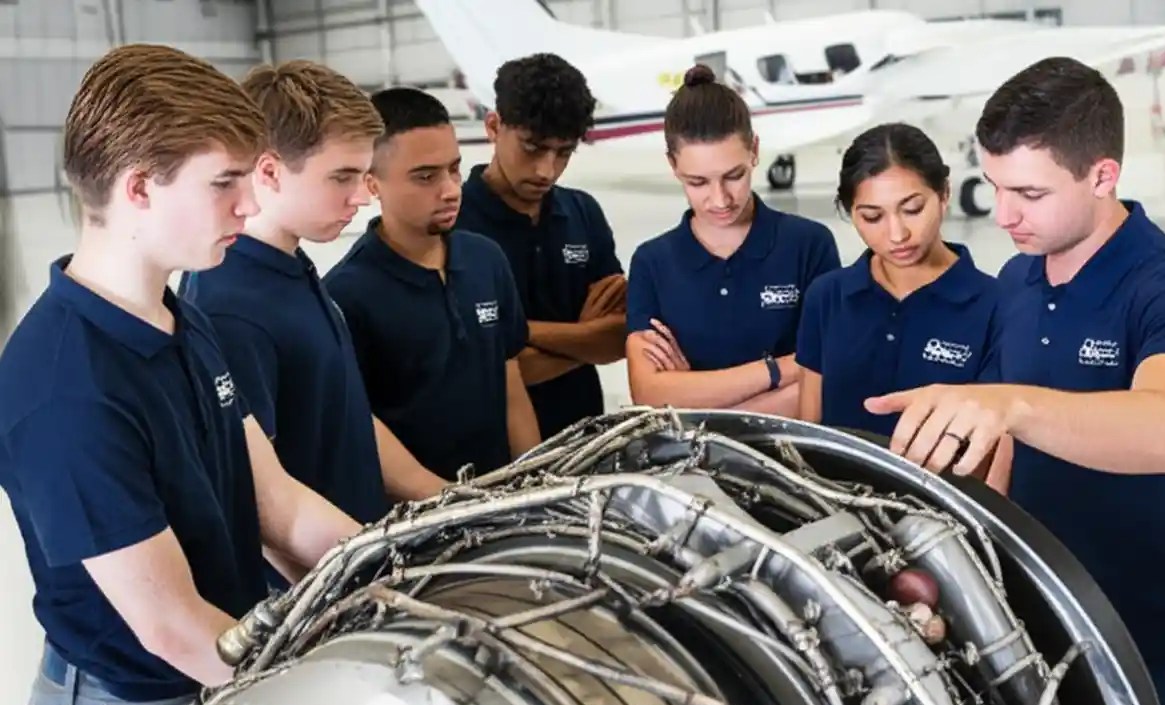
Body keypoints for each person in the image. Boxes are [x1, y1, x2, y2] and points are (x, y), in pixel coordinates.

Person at [866, 57, 1165, 705]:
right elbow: (1001, 449)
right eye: (994, 185)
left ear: (1103, 175)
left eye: (1031, 194)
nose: (1004, 214)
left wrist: (1009, 403)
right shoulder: (1018, 280)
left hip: (1162, 644)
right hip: (1042, 623)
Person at [0, 44, 361, 705]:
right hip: (143, 695)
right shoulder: (64, 389)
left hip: (218, 658)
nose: (249, 207)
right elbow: (169, 624)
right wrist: (336, 693)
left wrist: (404, 573)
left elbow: (277, 506)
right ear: (139, 187)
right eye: (224, 182)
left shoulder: (181, 318)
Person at [178, 60, 447, 582]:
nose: (364, 196)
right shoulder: (231, 306)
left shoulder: (293, 267)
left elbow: (343, 414)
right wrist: (349, 593)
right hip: (321, 587)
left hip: (355, 552)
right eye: (342, 177)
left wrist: (440, 494)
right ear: (270, 171)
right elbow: (262, 507)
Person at [323, 87, 540, 481]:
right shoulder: (345, 295)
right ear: (372, 184)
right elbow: (360, 432)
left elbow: (510, 385)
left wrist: (533, 479)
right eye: (425, 177)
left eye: (453, 168)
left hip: (505, 505)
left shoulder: (485, 260)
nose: (451, 189)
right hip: (418, 520)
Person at [625, 65, 840, 415]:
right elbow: (649, 392)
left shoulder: (809, 245)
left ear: (754, 150)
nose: (720, 199)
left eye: (734, 176)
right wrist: (779, 369)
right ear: (672, 165)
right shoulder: (653, 262)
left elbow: (824, 378)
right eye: (698, 182)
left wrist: (694, 397)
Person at [796, 122, 1001, 458]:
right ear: (851, 213)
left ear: (944, 194)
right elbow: (811, 430)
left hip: (939, 506)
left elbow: (992, 449)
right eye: (872, 217)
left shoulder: (994, 306)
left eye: (912, 209)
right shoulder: (827, 296)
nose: (897, 234)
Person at [454, 52, 627, 437]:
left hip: (584, 440)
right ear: (494, 126)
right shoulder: (454, 226)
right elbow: (476, 368)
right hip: (491, 453)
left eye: (564, 152)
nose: (546, 170)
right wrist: (584, 337)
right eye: (532, 147)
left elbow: (618, 338)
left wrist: (515, 334)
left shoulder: (583, 212)